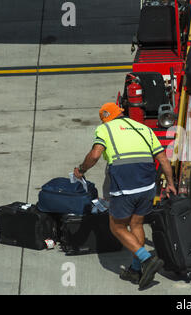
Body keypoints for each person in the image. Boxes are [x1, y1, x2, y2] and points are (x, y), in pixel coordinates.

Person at [73, 102, 177, 288]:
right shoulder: (143, 128)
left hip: (125, 186)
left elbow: (96, 154)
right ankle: (136, 271)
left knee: (117, 227)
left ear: (105, 119)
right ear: (120, 113)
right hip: (147, 185)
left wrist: (81, 170)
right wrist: (170, 183)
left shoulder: (105, 129)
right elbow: (162, 159)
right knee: (136, 223)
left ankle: (147, 260)